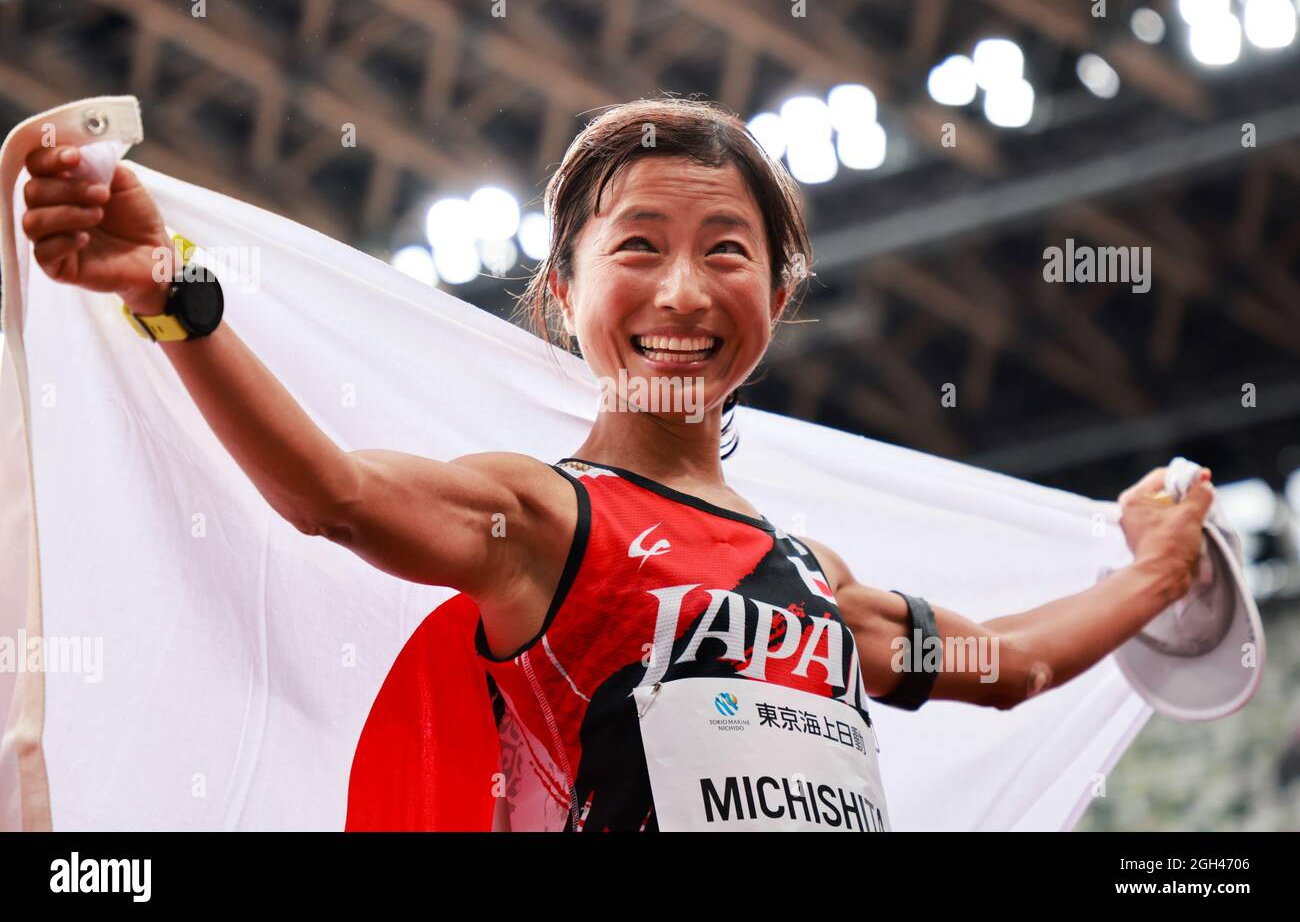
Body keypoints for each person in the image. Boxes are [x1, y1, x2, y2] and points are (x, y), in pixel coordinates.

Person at [21, 97, 1214, 831]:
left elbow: (1006, 665)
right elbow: (330, 495)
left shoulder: (812, 581)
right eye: (638, 246)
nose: (683, 292)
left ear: (778, 296)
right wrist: (173, 290)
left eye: (727, 251)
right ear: (563, 294)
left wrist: (1155, 576)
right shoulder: (539, 520)